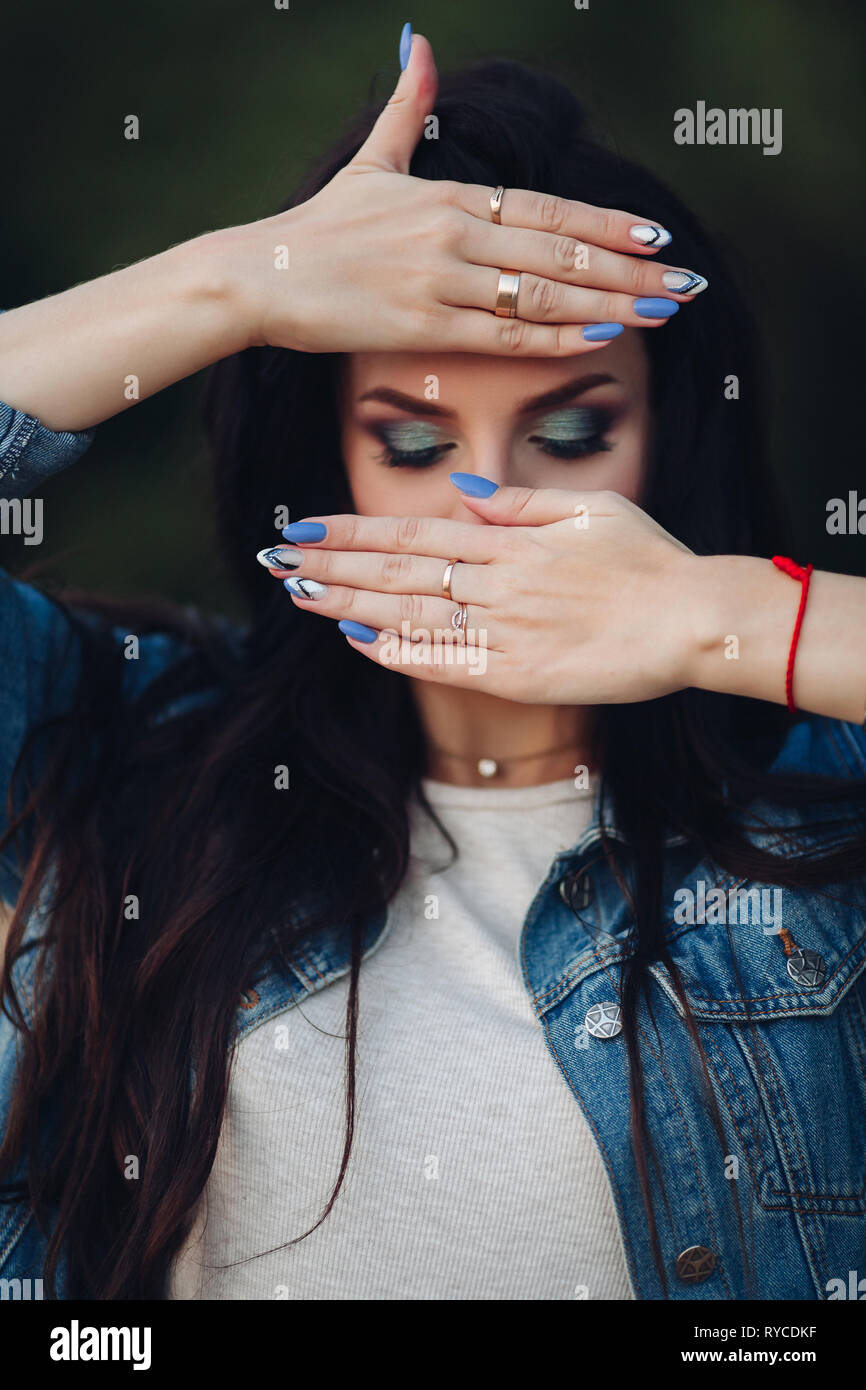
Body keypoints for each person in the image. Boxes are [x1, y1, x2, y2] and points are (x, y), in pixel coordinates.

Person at [1, 27, 865, 1301]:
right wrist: (237, 282)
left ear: (667, 448)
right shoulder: (116, 740)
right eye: (409, 443)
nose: (481, 508)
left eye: (569, 431)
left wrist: (715, 613)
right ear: (327, 465)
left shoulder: (820, 795)